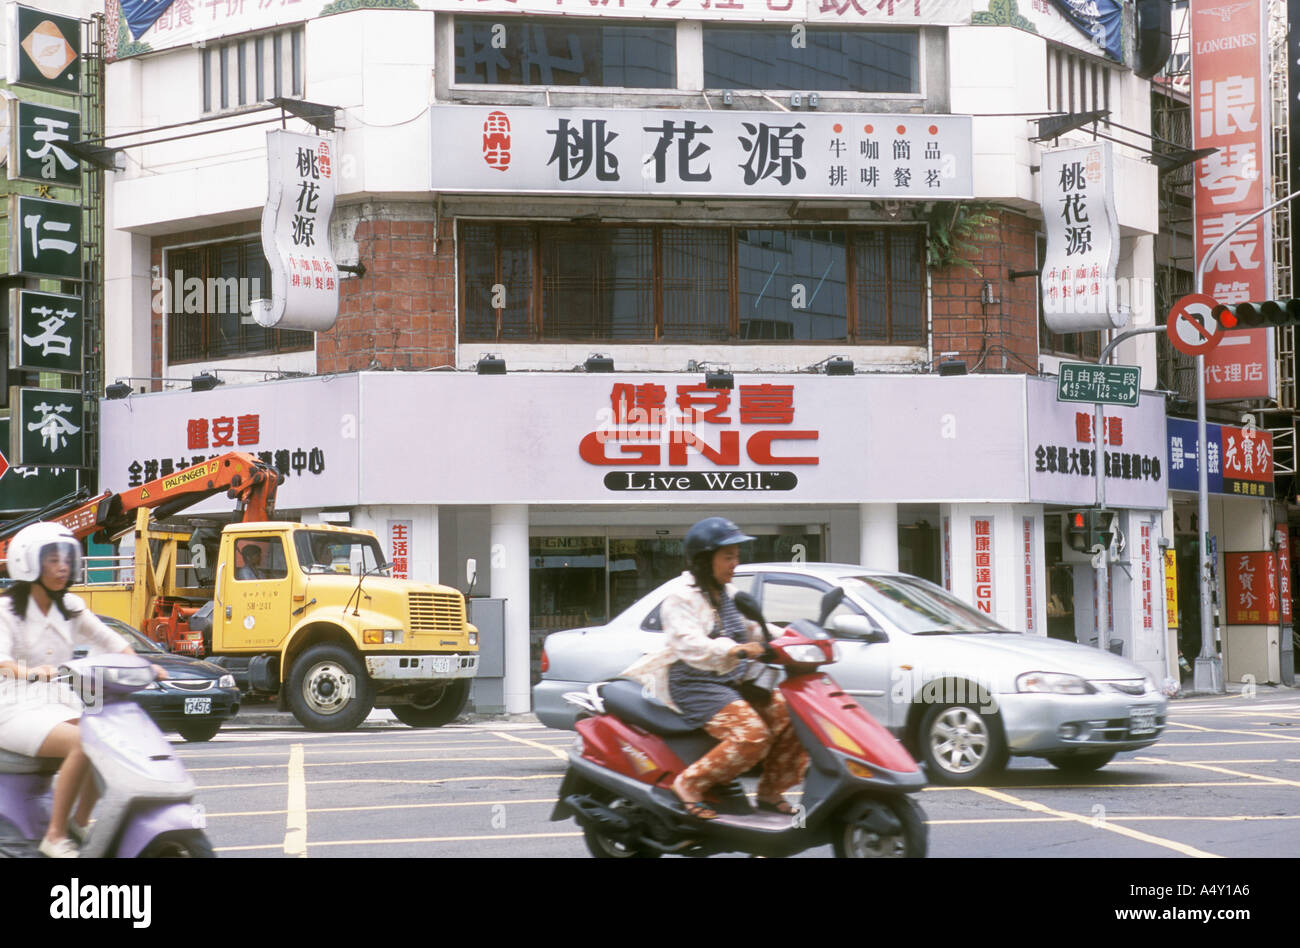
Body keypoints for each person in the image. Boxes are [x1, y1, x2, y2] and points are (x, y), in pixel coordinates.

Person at [619, 517, 808, 820]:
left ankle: (771, 793)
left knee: (793, 713)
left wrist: (793, 638)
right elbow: (689, 644)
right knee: (752, 734)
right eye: (728, 556)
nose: (735, 563)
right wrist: (734, 648)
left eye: (736, 556)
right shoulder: (680, 598)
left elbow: (753, 630)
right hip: (694, 684)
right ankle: (689, 784)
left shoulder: (728, 594)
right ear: (705, 560)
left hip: (729, 680)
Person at [0, 522, 166, 858]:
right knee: (85, 740)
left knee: (105, 735)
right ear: (28, 562)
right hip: (13, 705)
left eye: (66, 559)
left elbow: (111, 642)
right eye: (52, 560)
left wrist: (145, 667)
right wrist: (30, 672)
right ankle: (55, 834)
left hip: (57, 702)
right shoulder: (5, 610)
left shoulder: (71, 607)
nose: (62, 567)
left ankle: (77, 822)